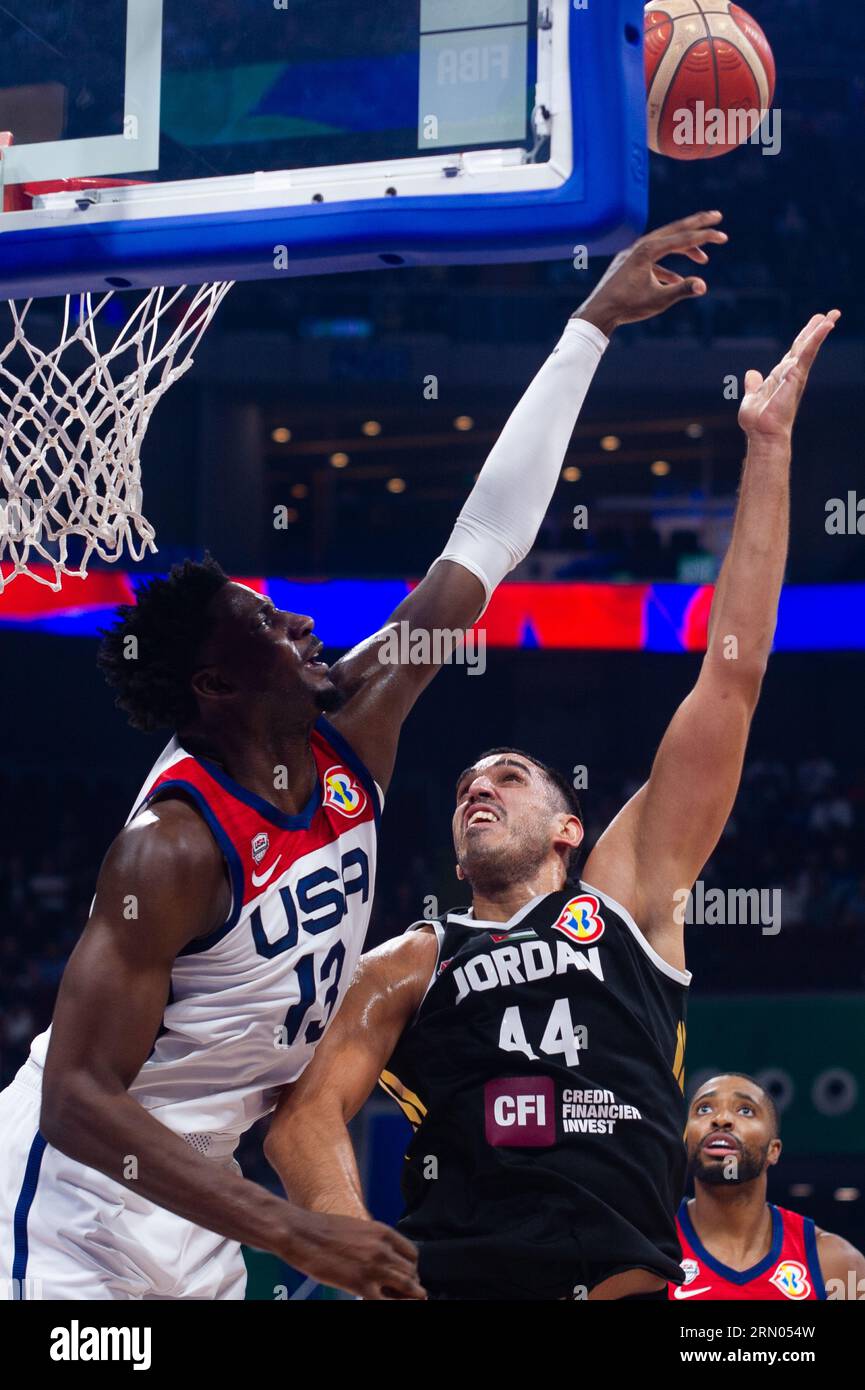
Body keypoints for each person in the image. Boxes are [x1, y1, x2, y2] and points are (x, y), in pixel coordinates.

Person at [0, 212, 727, 1302]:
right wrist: (294, 1232)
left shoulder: (353, 724)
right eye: (261, 622)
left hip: (198, 1205)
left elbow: (483, 544)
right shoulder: (171, 849)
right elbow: (78, 1099)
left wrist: (586, 327)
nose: (296, 622)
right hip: (71, 1203)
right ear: (214, 684)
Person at [265, 310, 840, 1300]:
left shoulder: (629, 893)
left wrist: (769, 447)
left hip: (625, 1281)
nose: (478, 785)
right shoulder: (412, 958)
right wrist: (358, 1255)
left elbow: (729, 680)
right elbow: (305, 1116)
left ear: (570, 828)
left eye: (509, 776)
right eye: (464, 785)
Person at [670, 1073, 865, 1300]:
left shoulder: (836, 1263)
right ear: (686, 1140)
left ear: (774, 1150)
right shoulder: (651, 1247)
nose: (721, 1119)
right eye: (704, 1109)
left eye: (745, 1110)